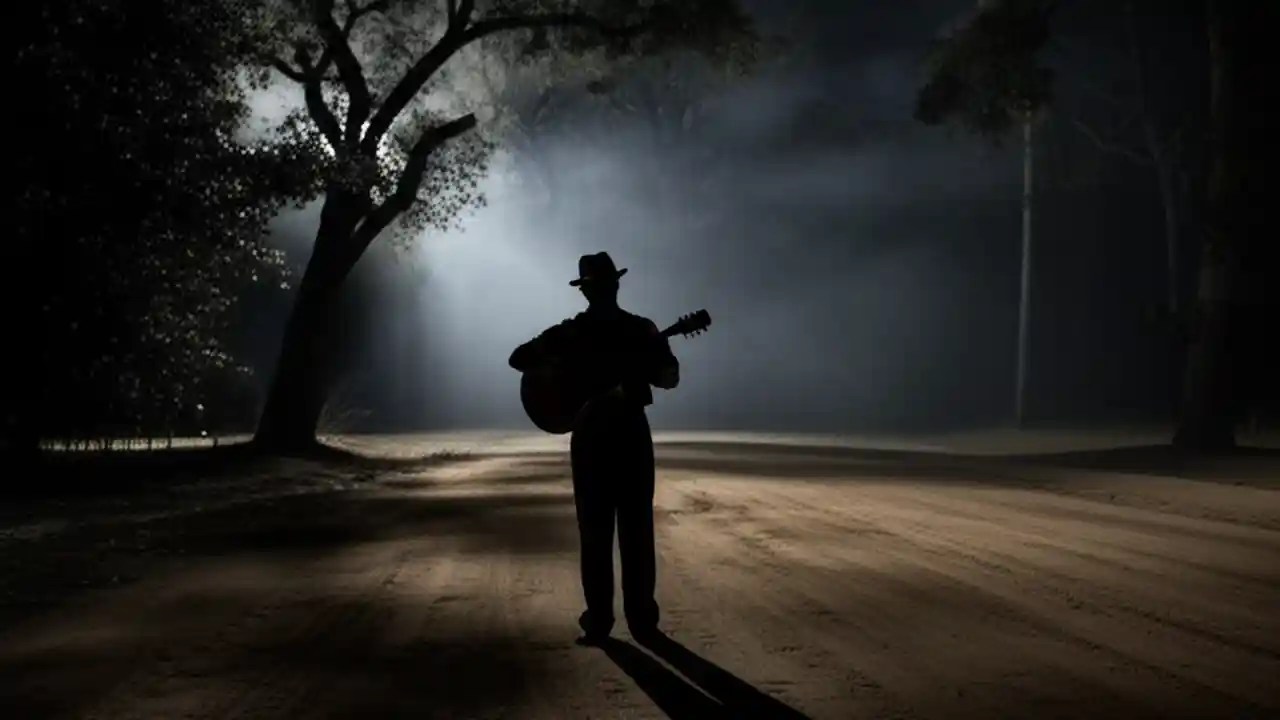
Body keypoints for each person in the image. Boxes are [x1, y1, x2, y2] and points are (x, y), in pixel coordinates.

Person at [508, 252, 679, 645]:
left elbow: (669, 377)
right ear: (600, 288)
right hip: (605, 434)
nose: (604, 290)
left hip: (608, 435)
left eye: (604, 284)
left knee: (609, 530)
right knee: (620, 530)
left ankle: (612, 621)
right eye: (600, 285)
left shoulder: (634, 331)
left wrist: (656, 363)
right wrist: (567, 373)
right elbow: (520, 359)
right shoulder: (582, 333)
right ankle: (632, 622)